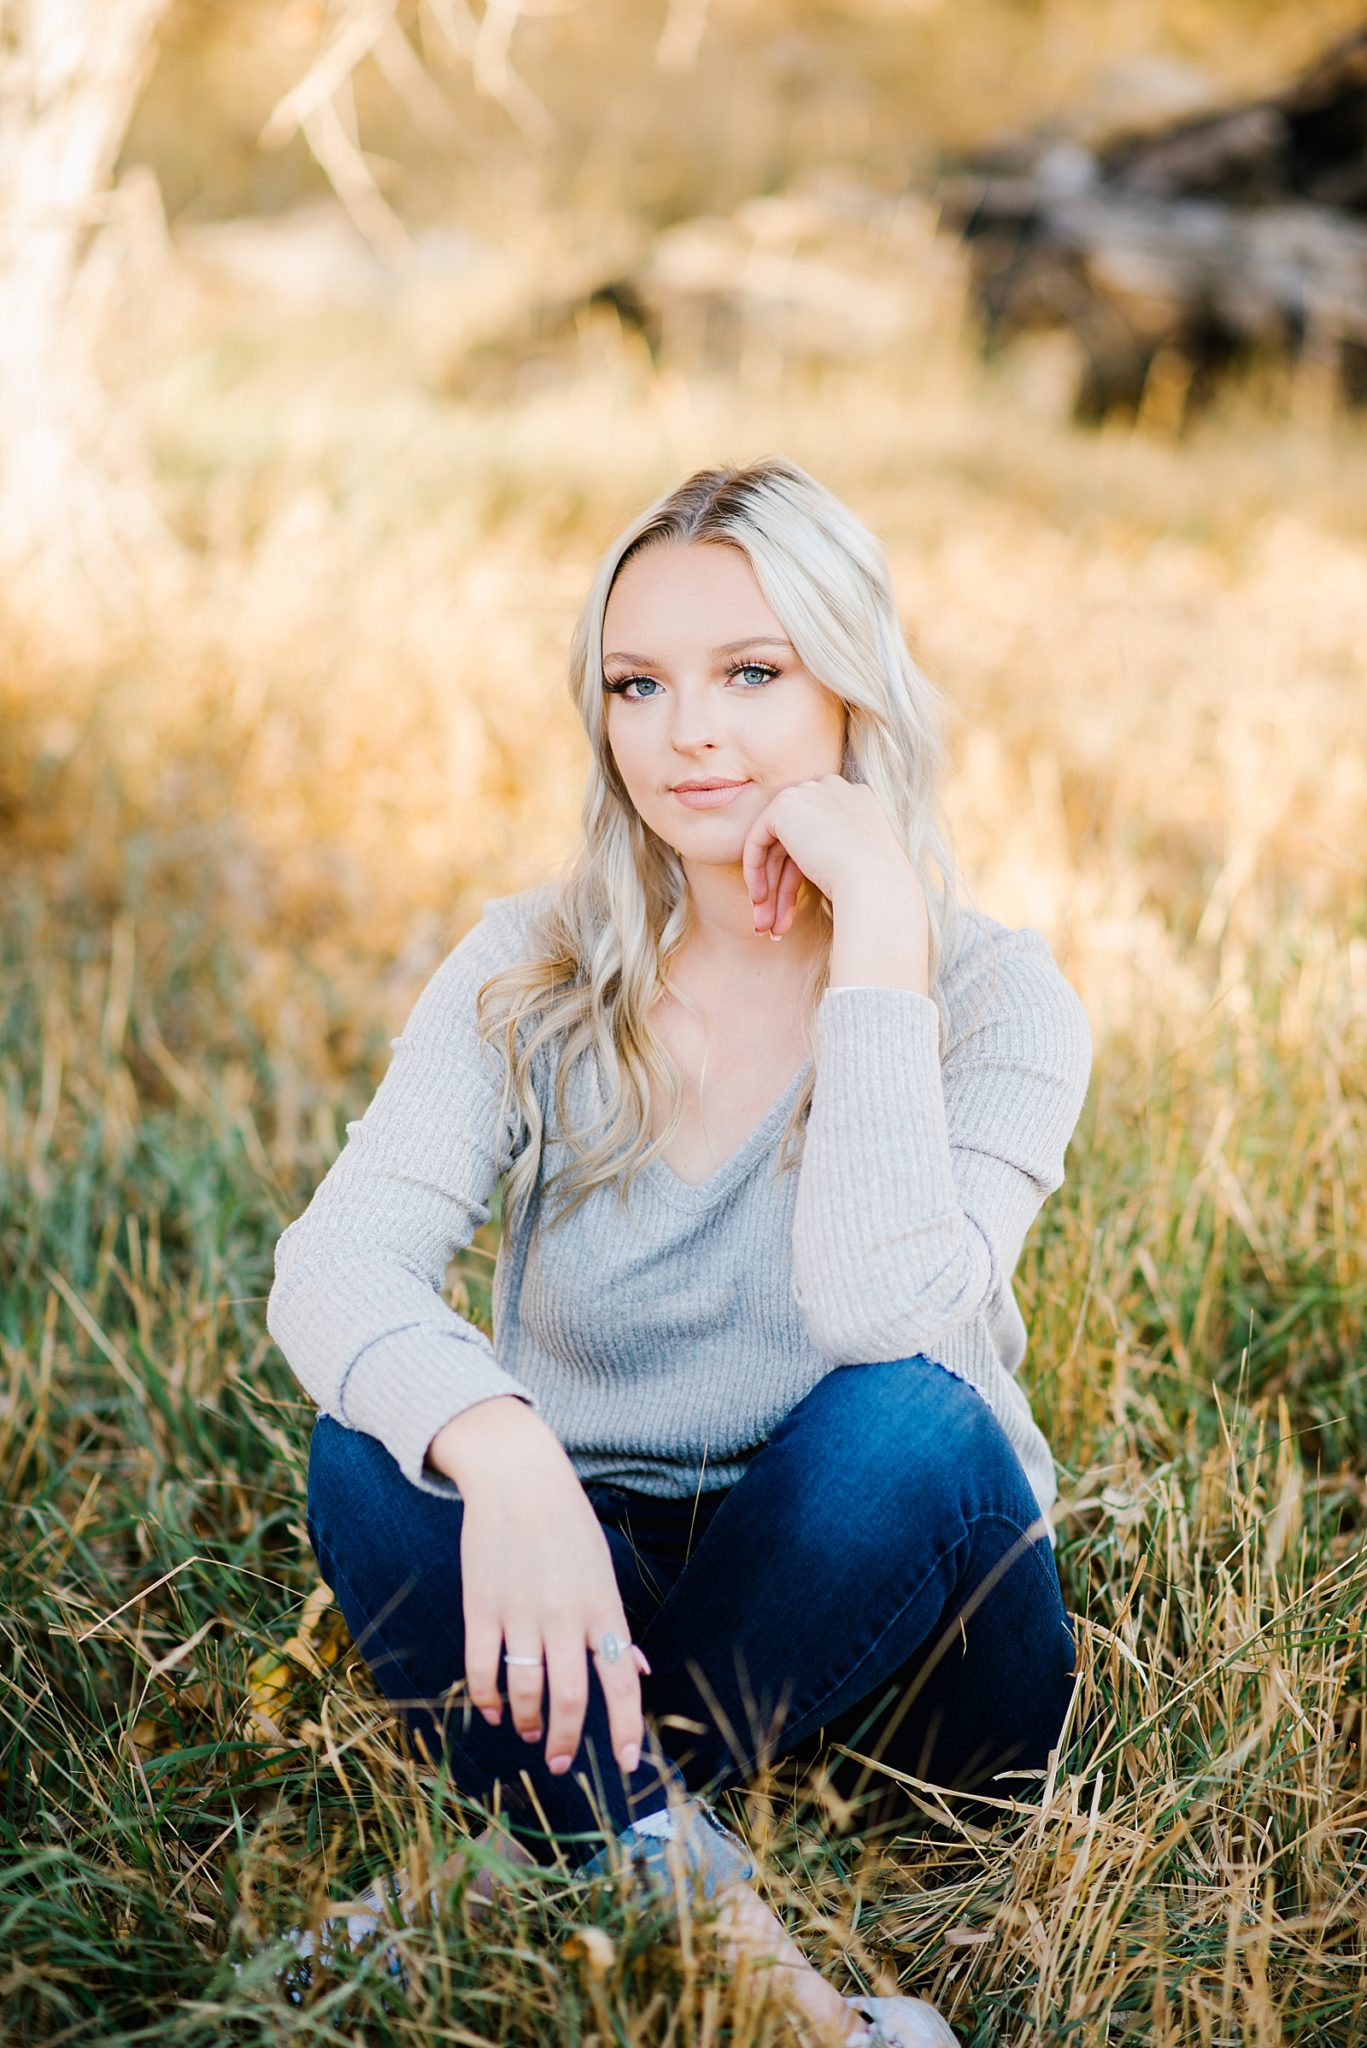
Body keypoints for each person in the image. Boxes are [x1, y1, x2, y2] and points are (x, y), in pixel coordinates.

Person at [266, 457, 1093, 2047]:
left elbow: (887, 1319)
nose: (688, 731)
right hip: (591, 1583)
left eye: (754, 675)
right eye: (638, 683)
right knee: (370, 1454)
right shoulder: (533, 965)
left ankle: (526, 1856)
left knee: (915, 1415)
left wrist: (882, 954)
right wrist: (503, 1452)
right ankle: (755, 1965)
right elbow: (334, 1266)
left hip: (913, 1637)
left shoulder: (996, 999)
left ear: (855, 691)